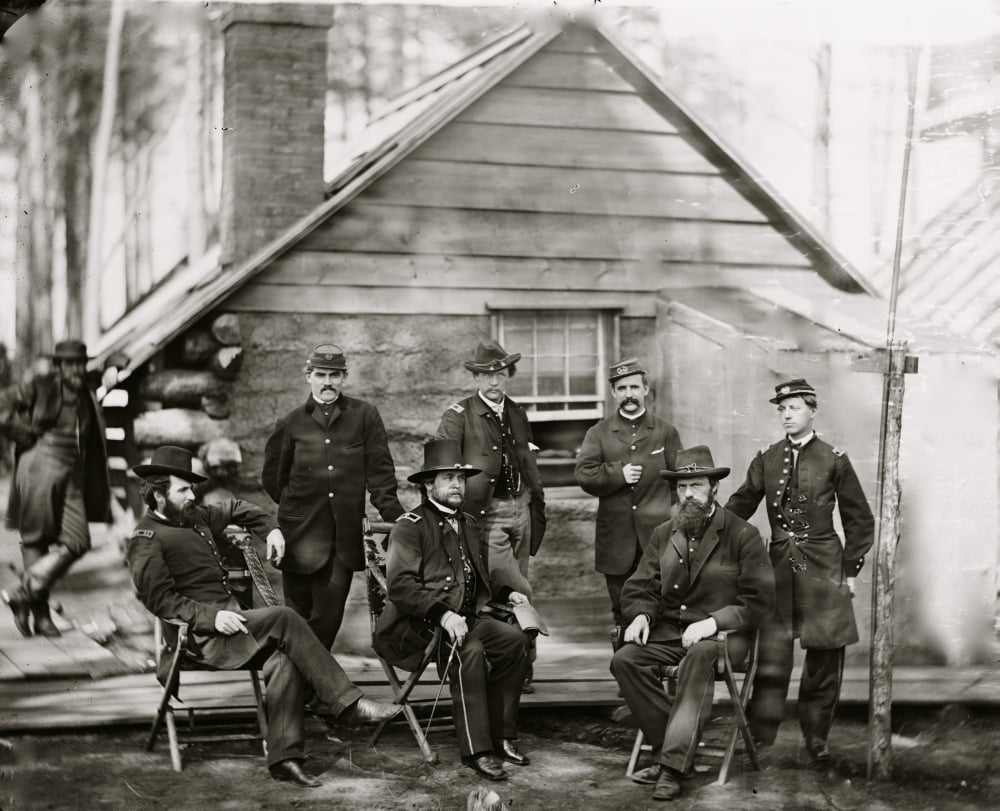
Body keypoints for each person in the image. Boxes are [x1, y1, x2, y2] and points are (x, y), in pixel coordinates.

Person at [128, 445, 402, 788]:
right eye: (182, 489)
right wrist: (210, 619)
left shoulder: (194, 517)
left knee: (283, 659)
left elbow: (235, 507)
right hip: (200, 638)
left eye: (192, 488)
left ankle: (285, 760)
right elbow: (160, 600)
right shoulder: (146, 539)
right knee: (284, 617)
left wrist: (271, 529)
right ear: (157, 494)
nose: (191, 495)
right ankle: (347, 704)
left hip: (234, 629)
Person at [610, 445, 774, 802]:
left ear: (714, 487)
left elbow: (759, 601)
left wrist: (713, 623)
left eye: (696, 485)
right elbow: (641, 585)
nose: (688, 494)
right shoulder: (665, 532)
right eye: (682, 487)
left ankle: (671, 768)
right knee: (624, 659)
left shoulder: (742, 534)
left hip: (725, 638)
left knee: (700, 655)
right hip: (671, 632)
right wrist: (641, 614)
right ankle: (672, 745)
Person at [725, 378, 874, 764]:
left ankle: (817, 739)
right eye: (781, 408)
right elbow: (742, 503)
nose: (786, 414)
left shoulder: (834, 458)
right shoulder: (767, 457)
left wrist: (851, 570)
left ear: (812, 410)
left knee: (824, 658)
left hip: (824, 568)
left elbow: (859, 519)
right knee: (772, 656)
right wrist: (715, 529)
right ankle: (761, 736)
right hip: (778, 568)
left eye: (793, 407)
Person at [375, 439, 533, 782]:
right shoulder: (410, 525)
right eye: (448, 479)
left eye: (460, 479)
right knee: (469, 649)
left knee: (514, 640)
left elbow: (479, 573)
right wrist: (443, 615)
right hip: (420, 626)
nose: (457, 485)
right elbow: (401, 586)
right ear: (428, 485)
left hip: (467, 618)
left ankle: (501, 735)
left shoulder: (469, 522)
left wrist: (507, 593)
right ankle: (477, 750)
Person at [262, 343, 404, 650]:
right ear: (308, 376)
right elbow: (273, 481)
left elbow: (380, 475)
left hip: (342, 540)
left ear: (344, 377)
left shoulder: (364, 416)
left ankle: (302, 688)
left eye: (335, 375)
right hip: (298, 539)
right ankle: (303, 693)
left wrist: (398, 518)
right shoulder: (291, 423)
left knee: (326, 620)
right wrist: (299, 506)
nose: (328, 382)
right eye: (321, 374)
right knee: (296, 618)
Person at [435, 338, 545, 691]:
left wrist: (531, 499)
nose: (494, 381)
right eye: (486, 375)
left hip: (521, 507)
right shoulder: (458, 415)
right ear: (476, 379)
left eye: (499, 373)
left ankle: (518, 666)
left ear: (507, 374)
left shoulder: (517, 412)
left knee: (517, 587)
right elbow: (442, 467)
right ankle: (520, 662)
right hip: (486, 513)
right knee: (511, 586)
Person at [0, 339, 126, 637]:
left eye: (81, 364)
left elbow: (121, 355)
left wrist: (115, 366)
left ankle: (22, 593)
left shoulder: (85, 387)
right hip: (39, 465)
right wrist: (23, 434)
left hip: (71, 472)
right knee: (36, 540)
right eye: (69, 364)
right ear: (59, 366)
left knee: (78, 540)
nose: (76, 370)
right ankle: (42, 618)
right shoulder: (40, 385)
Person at [574, 357, 683, 653]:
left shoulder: (665, 432)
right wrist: (617, 474)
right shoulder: (598, 433)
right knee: (622, 610)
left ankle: (659, 669)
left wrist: (672, 519)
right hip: (617, 540)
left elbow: (680, 480)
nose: (629, 393)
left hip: (657, 539)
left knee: (661, 605)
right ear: (613, 393)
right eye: (622, 388)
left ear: (646, 389)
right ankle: (628, 673)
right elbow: (583, 474)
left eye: (634, 386)